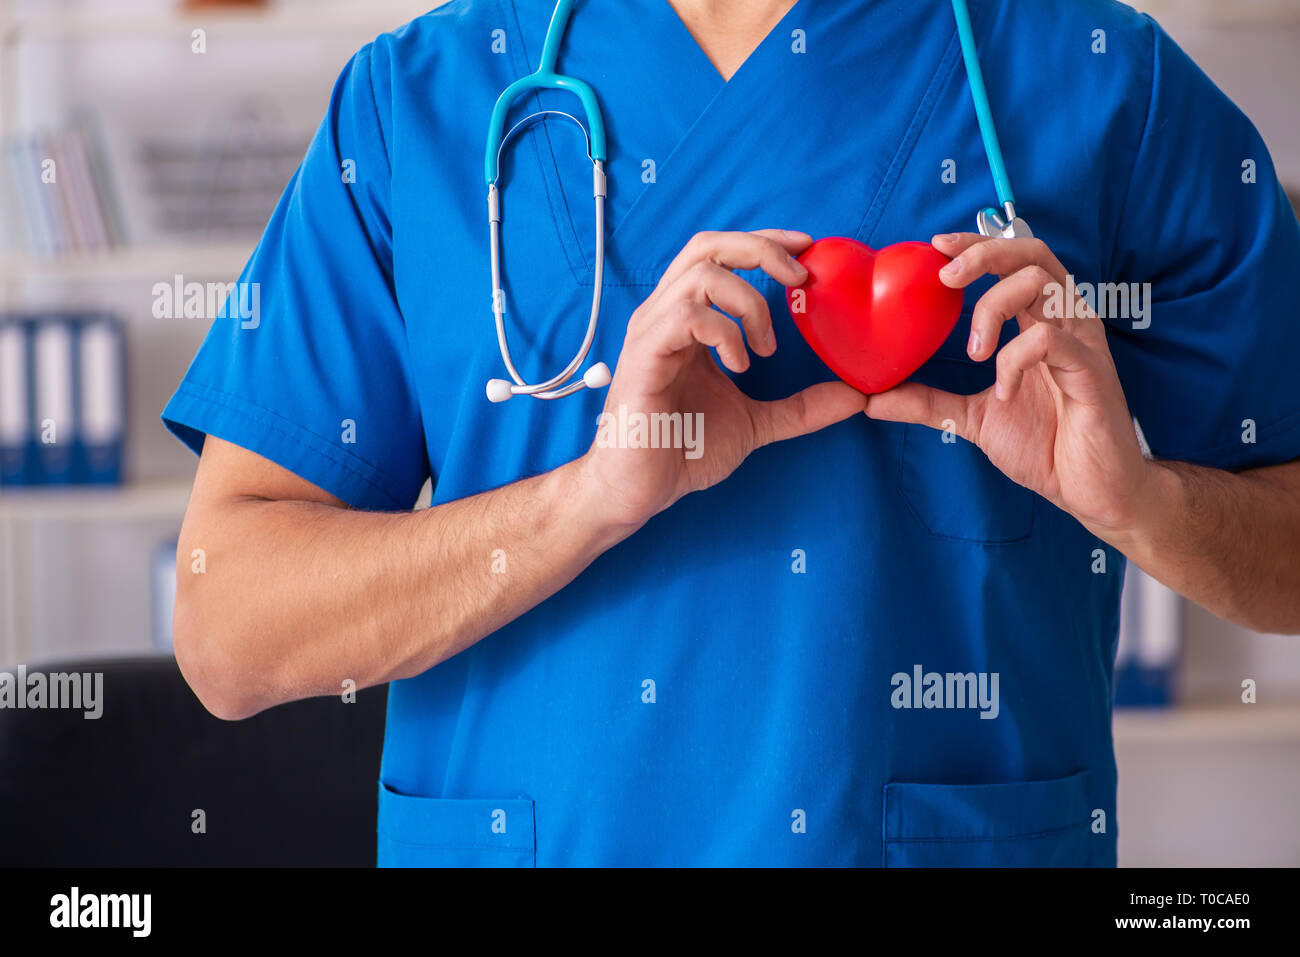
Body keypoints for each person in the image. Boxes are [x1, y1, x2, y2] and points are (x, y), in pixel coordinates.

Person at [163, 0, 1300, 866]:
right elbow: (229, 627)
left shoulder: (1097, 79)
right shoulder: (420, 102)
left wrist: (1139, 504)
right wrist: (589, 501)